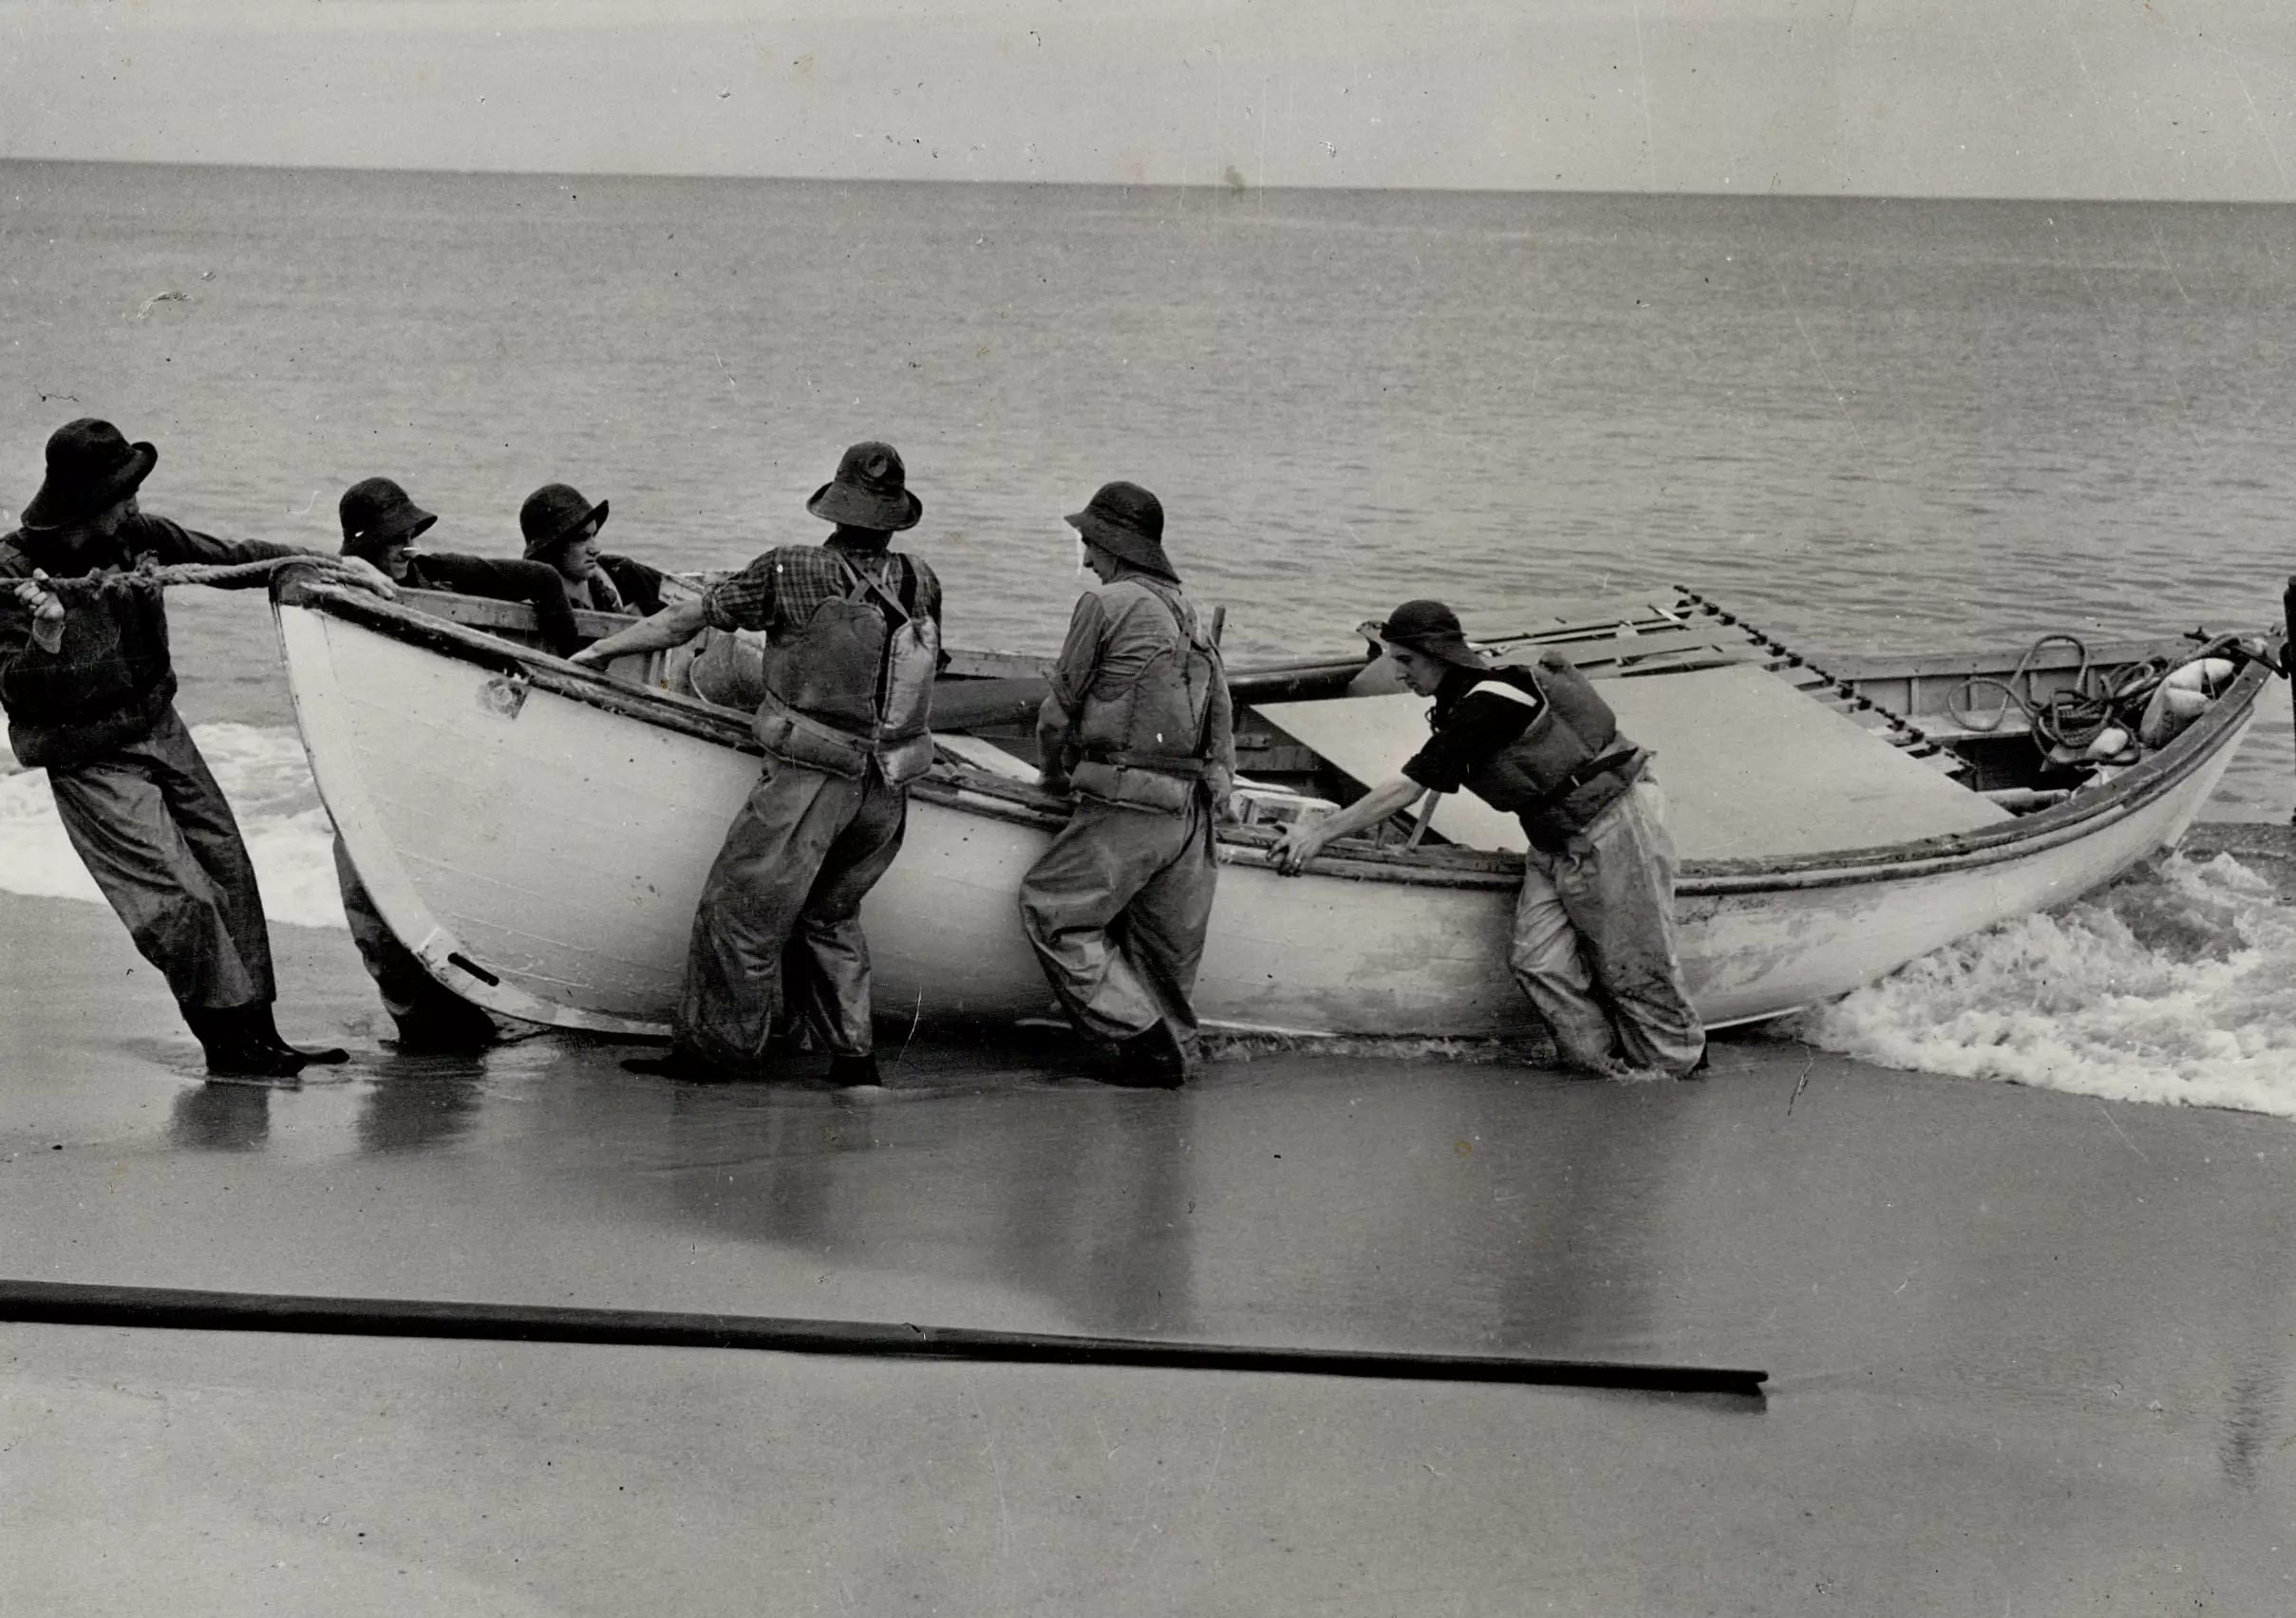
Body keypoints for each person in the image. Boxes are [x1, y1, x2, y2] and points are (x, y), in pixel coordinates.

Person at [0, 419, 392, 1079]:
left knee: (228, 872)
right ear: (87, 502)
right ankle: (229, 1048)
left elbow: (231, 559)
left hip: (159, 724)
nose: (134, 506)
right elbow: (17, 691)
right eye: (122, 495)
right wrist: (45, 634)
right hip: (86, 752)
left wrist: (327, 564)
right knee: (176, 898)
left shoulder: (138, 535)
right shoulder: (11, 573)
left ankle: (264, 1036)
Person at [570, 442, 941, 1086]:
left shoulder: (791, 569)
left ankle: (716, 1057)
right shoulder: (921, 579)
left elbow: (688, 619)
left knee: (739, 913)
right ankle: (855, 1061)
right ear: (893, 518)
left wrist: (603, 649)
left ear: (837, 509)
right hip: (887, 789)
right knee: (832, 918)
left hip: (812, 781)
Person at [1271, 599, 1705, 1080]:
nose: (1398, 675)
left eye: (1406, 661)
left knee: (1635, 965)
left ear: (1439, 653)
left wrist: (1319, 833)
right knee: (1539, 962)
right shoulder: (1458, 704)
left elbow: (1410, 786)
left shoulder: (1493, 697)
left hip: (1612, 821)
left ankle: (1676, 1074)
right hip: (1554, 838)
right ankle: (1606, 1071)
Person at [1016, 481, 1233, 1086]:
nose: (1086, 558)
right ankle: (1177, 1064)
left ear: (1112, 546)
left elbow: (1056, 714)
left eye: (1089, 543)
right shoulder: (1190, 612)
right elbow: (1221, 720)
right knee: (1164, 959)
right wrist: (1222, 789)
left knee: (1052, 910)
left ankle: (1142, 1042)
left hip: (1124, 801)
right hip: (1189, 813)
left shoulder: (1105, 604)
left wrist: (1051, 776)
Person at [337, 476, 590, 656]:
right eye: (395, 540)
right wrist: (345, 564)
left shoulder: (434, 569)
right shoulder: (337, 578)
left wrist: (573, 658)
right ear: (367, 546)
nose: (409, 551)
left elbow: (542, 577)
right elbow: (298, 562)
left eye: (411, 537)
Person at [518, 482, 667, 619]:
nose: (595, 549)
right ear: (552, 548)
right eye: (581, 538)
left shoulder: (619, 572)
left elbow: (681, 600)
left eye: (593, 535)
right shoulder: (532, 605)